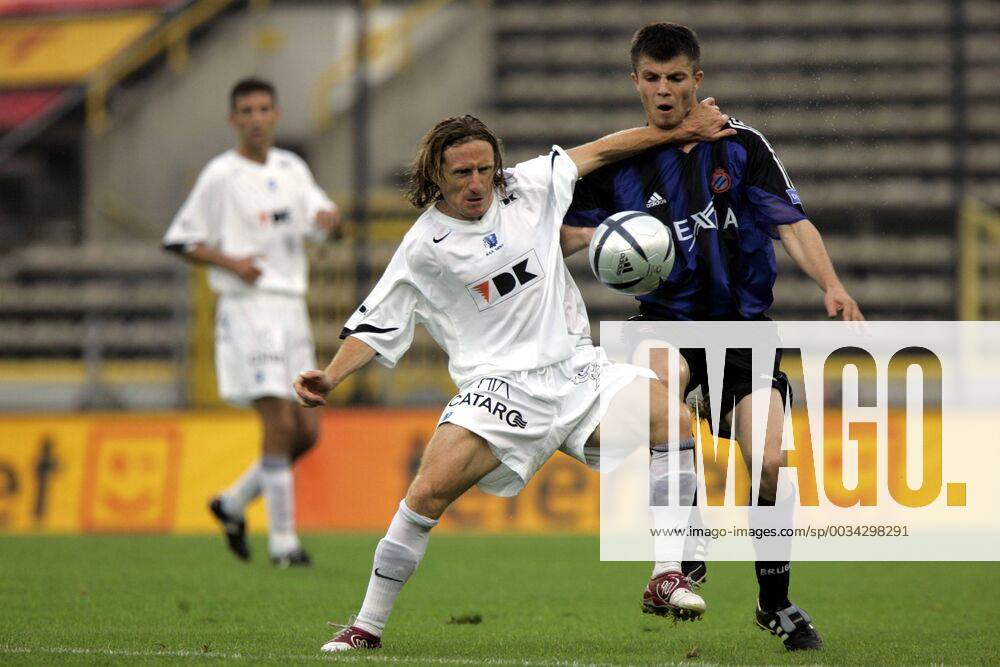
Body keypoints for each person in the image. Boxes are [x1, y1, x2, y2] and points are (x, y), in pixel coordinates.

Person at [294, 109, 733, 651]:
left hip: (577, 373)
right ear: (437, 173)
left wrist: (680, 131)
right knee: (425, 495)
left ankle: (668, 574)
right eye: (462, 173)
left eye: (485, 169)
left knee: (672, 417)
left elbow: (602, 148)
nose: (477, 183)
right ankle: (366, 626)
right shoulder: (424, 247)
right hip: (499, 388)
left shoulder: (527, 185)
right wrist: (331, 376)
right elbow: (378, 322)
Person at [561, 23, 865, 651]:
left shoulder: (743, 146)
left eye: (677, 78)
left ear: (698, 80)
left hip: (744, 331)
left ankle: (774, 603)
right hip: (663, 323)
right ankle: (682, 548)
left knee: (772, 462)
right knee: (663, 402)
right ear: (636, 81)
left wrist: (832, 286)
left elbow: (791, 223)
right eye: (652, 78)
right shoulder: (620, 159)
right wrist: (609, 239)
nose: (665, 90)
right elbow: (565, 234)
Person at [163, 77, 341, 567]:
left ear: (276, 115)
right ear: (233, 119)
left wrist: (330, 223)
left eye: (264, 108)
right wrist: (230, 262)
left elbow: (322, 223)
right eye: (247, 110)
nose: (257, 118)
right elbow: (180, 239)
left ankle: (234, 503)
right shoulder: (220, 175)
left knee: (307, 431)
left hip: (290, 307)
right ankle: (284, 543)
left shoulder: (292, 168)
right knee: (279, 420)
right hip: (248, 307)